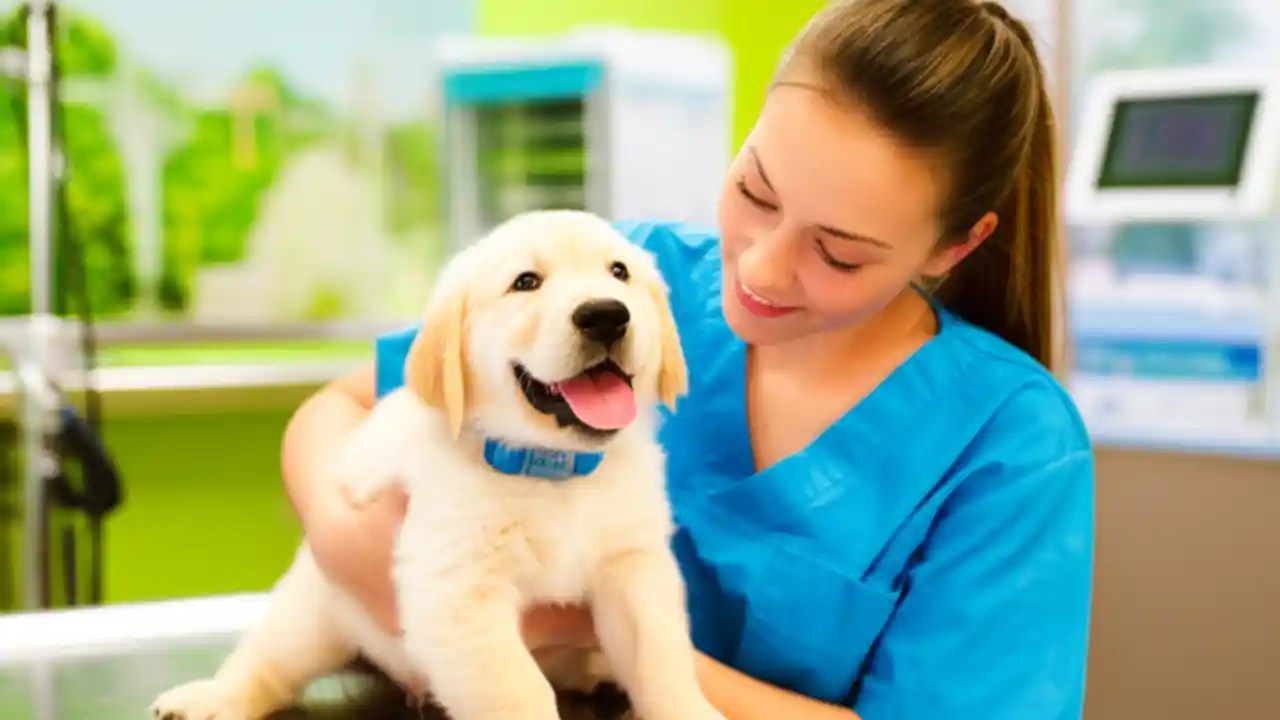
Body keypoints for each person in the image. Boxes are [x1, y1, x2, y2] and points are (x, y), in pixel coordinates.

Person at [281, 0, 1095, 717]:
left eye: (839, 255)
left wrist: (622, 646)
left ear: (954, 245)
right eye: (757, 191)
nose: (763, 268)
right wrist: (341, 530)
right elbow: (347, 406)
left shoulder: (1010, 442)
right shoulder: (626, 280)